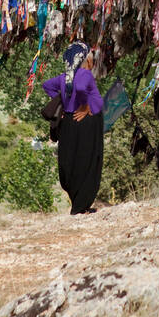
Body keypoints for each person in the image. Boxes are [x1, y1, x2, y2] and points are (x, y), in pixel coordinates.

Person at [41, 42, 105, 215]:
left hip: (69, 122)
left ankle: (78, 203)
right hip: (87, 122)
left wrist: (62, 99)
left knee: (72, 162)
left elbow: (46, 85)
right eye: (91, 60)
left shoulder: (64, 77)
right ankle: (81, 205)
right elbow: (81, 87)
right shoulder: (84, 74)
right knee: (89, 161)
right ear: (86, 61)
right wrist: (84, 106)